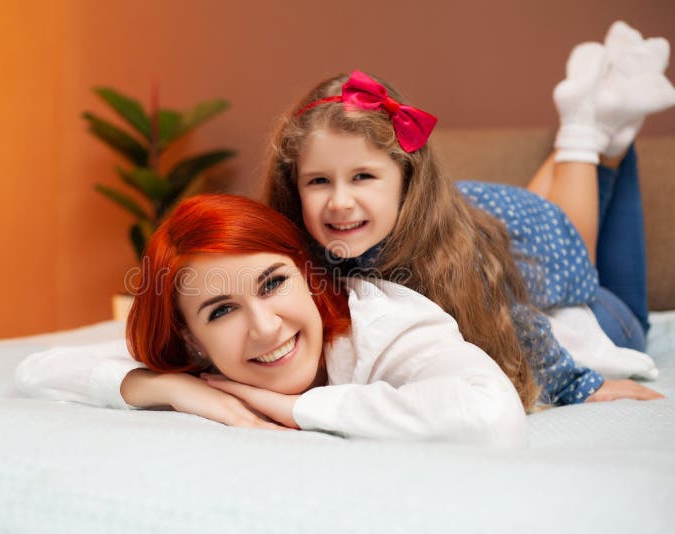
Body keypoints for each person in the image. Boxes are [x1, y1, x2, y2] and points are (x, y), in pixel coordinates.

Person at [263, 21, 673, 407]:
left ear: (406, 180)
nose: (339, 202)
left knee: (634, 323)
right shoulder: (311, 252)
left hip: (578, 298)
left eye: (363, 177)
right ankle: (603, 134)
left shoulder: (446, 256)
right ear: (293, 185)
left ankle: (602, 138)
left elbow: (518, 326)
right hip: (511, 227)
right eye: (318, 182)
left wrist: (582, 386)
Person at [15, 194, 528, 447]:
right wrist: (171, 389)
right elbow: (36, 371)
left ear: (307, 273)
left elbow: (491, 415)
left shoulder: (388, 323)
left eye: (272, 283)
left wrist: (295, 407)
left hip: (525, 272)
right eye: (221, 311)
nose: (264, 328)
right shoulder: (196, 361)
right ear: (192, 339)